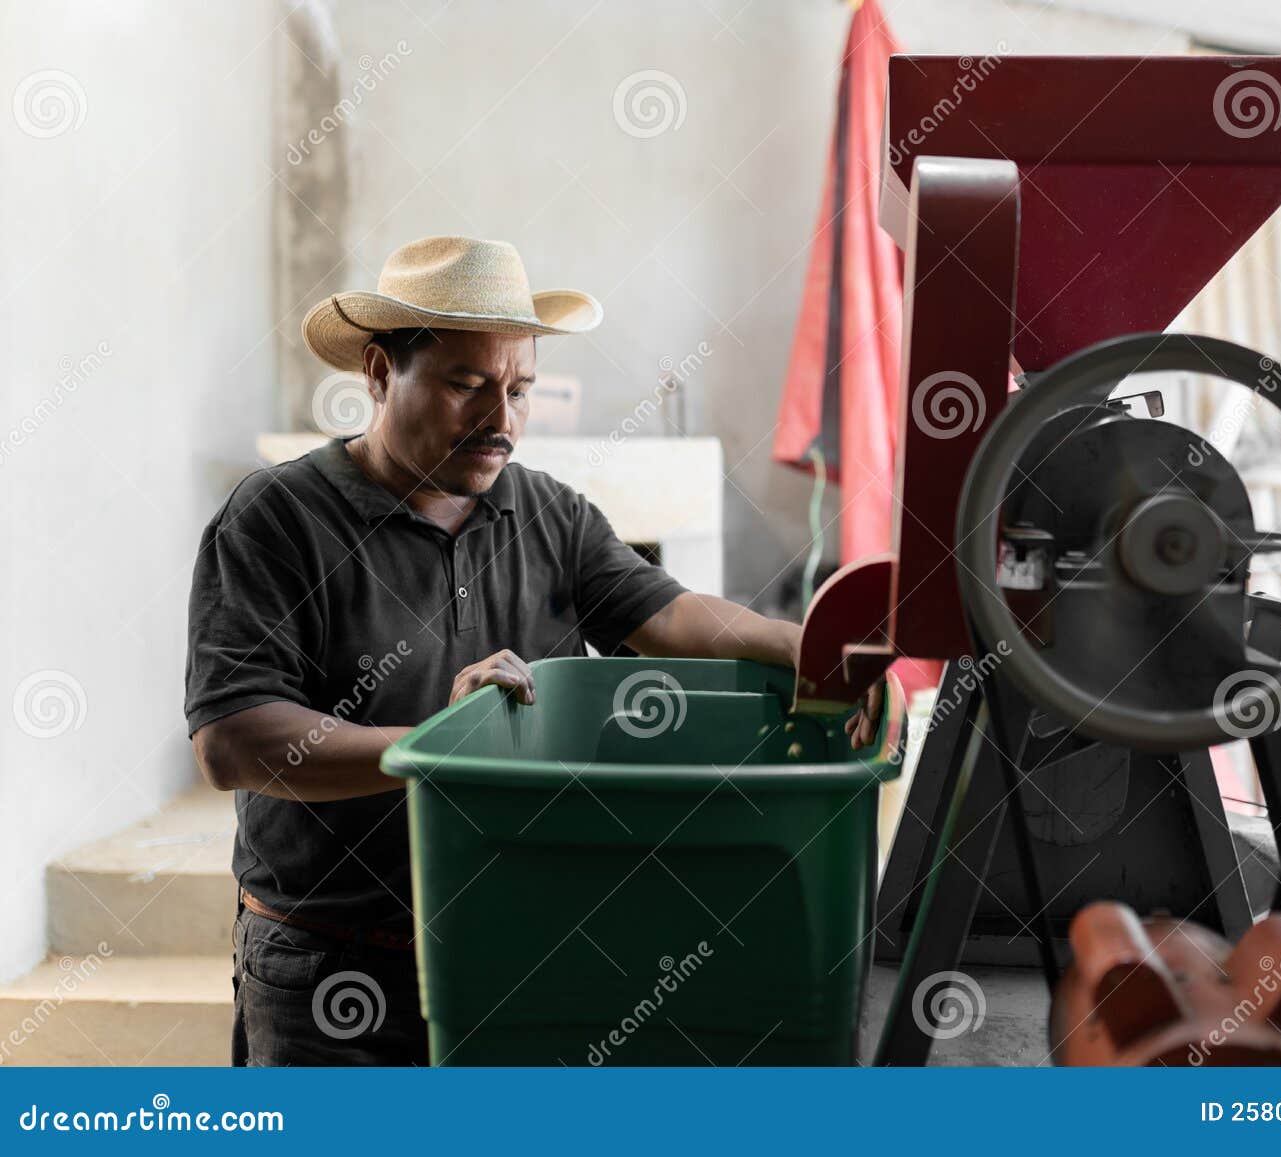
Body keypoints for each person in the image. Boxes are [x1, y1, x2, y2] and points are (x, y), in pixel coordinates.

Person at [185, 235, 881, 1065]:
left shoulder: (548, 512)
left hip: (514, 945)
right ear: (377, 373)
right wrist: (436, 745)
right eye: (465, 385)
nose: (500, 420)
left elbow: (675, 616)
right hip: (331, 962)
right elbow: (232, 739)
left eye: (520, 390)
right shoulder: (277, 518)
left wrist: (818, 646)